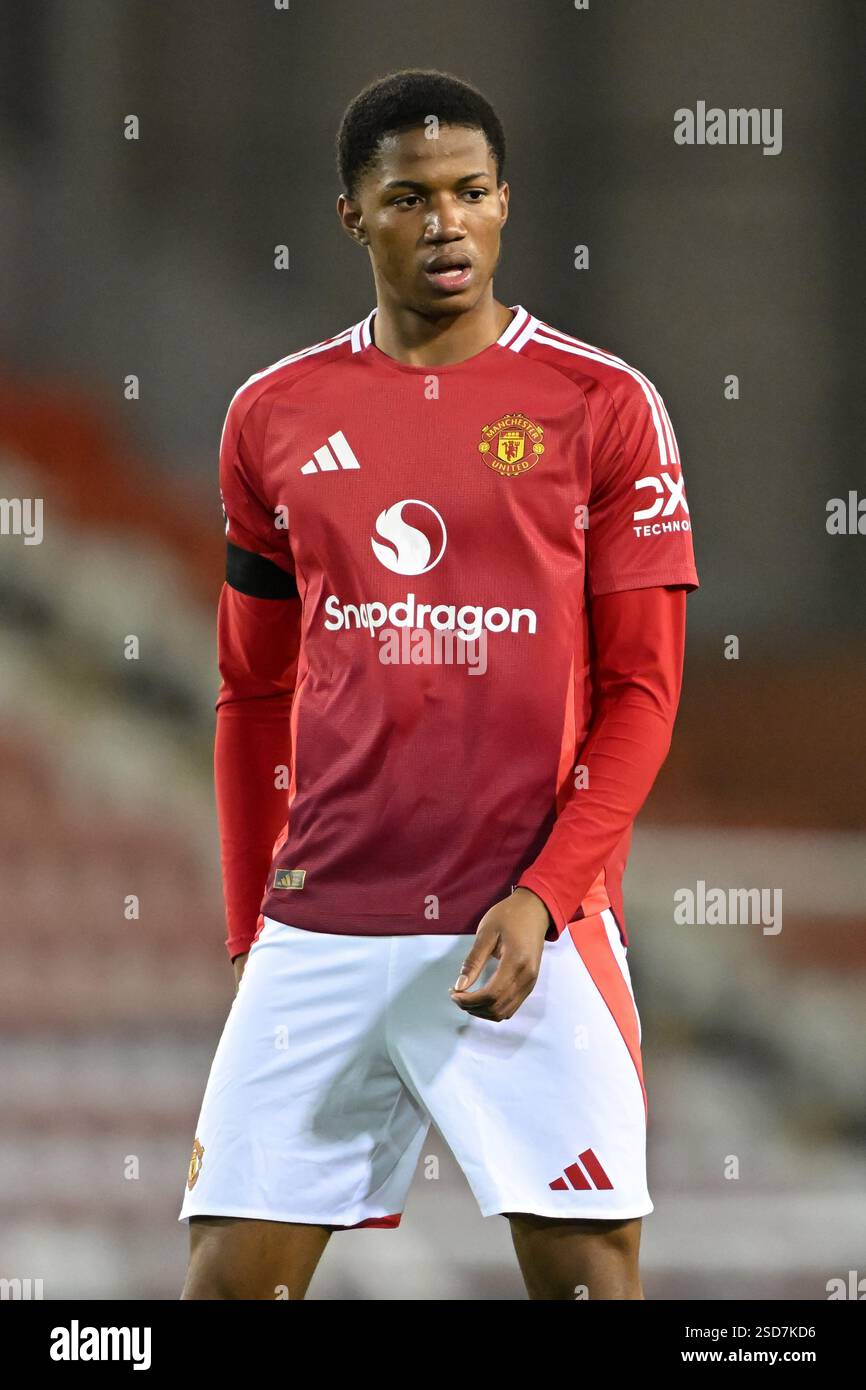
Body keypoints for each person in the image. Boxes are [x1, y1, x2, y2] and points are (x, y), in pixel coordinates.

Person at [179, 67, 699, 1301]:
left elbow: (641, 695)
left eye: (469, 192)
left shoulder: (603, 407)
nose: (443, 221)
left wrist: (544, 899)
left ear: (507, 203)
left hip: (527, 929)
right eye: (408, 197)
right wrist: (254, 926)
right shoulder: (271, 416)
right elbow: (251, 694)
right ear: (353, 215)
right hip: (322, 926)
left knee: (585, 1283)